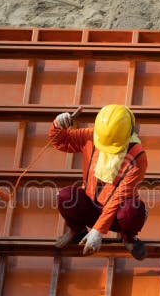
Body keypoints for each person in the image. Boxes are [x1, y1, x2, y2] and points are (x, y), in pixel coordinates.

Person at [50, 104, 148, 260]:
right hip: (91, 205)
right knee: (65, 196)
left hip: (117, 215)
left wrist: (98, 231)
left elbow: (118, 198)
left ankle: (128, 238)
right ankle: (78, 231)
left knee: (134, 210)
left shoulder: (137, 156)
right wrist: (58, 126)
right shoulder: (90, 136)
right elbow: (60, 142)